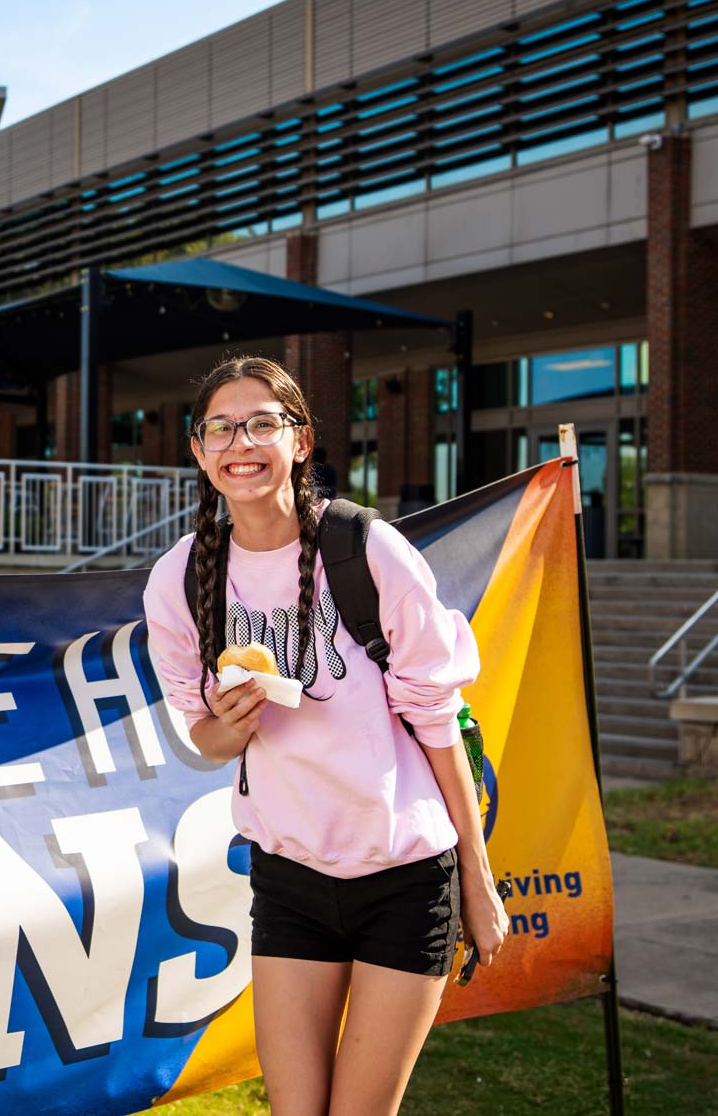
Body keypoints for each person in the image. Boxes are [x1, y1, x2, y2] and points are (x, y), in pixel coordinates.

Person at [141, 356, 508, 1116]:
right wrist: (230, 725)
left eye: (262, 422)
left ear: (301, 441)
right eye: (220, 426)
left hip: (405, 873)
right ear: (198, 450)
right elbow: (202, 740)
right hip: (291, 876)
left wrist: (477, 877)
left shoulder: (366, 550)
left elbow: (437, 722)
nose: (241, 441)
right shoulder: (180, 579)